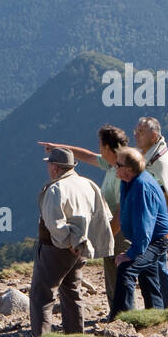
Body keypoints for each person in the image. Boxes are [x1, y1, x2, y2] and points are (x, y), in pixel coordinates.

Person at [38, 126, 128, 310]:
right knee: (112, 272)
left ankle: (122, 316)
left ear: (109, 148)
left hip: (118, 228)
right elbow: (86, 156)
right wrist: (58, 147)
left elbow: (121, 210)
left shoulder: (122, 172)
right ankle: (117, 313)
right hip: (111, 225)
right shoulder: (112, 164)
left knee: (118, 273)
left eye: (101, 146)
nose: (99, 150)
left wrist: (104, 236)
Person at [28, 148, 114, 337]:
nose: (48, 167)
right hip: (81, 249)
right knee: (72, 292)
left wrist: (68, 243)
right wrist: (83, 243)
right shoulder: (89, 185)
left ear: (55, 168)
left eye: (49, 163)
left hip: (56, 248)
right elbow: (104, 216)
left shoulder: (56, 189)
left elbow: (54, 224)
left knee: (42, 295)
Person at [111, 146, 168, 317]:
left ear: (129, 169)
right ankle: (156, 317)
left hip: (157, 240)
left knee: (126, 269)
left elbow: (144, 225)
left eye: (118, 164)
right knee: (148, 277)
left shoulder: (141, 187)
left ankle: (120, 320)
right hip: (152, 239)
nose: (115, 167)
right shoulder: (128, 181)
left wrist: (132, 253)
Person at [133, 116, 168, 307]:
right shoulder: (150, 154)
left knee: (158, 265)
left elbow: (165, 198)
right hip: (151, 218)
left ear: (154, 136)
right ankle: (161, 307)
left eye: (141, 131)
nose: (136, 134)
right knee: (154, 265)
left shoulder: (160, 162)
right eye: (136, 130)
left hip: (156, 221)